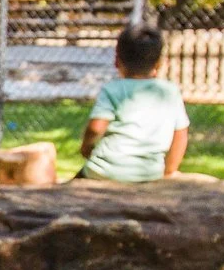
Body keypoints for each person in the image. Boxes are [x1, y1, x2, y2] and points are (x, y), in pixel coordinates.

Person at [79, 24, 188, 182]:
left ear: (117, 60)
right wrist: (170, 170)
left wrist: (86, 149)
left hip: (104, 171)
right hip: (148, 174)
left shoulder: (113, 89)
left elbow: (96, 128)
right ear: (159, 63)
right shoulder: (170, 92)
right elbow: (181, 134)